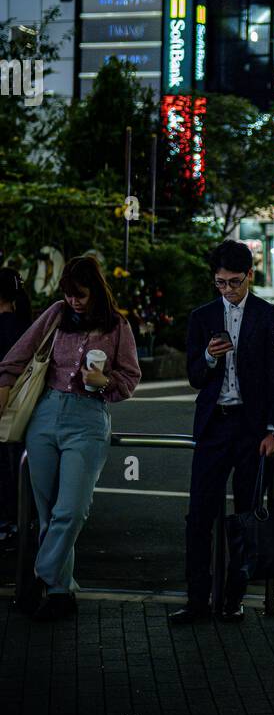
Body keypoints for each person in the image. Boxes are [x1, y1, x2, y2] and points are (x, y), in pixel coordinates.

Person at [0, 256, 140, 620]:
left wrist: (105, 383)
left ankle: (39, 575)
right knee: (46, 513)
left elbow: (130, 377)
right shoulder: (56, 315)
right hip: (45, 414)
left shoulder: (116, 326)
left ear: (95, 289)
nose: (74, 301)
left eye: (80, 294)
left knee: (72, 510)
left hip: (88, 417)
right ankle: (60, 592)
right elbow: (16, 357)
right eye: (69, 294)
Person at [170, 239, 274, 625]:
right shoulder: (202, 316)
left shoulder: (270, 315)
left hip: (252, 427)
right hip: (214, 423)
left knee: (244, 515)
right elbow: (192, 376)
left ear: (250, 276)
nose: (227, 290)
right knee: (200, 516)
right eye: (220, 283)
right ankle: (196, 599)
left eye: (234, 282)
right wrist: (207, 356)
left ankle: (234, 598)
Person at [0, 268, 34, 545]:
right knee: (21, 466)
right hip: (25, 409)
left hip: (4, 406)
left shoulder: (4, 327)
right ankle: (22, 522)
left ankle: (10, 522)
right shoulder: (27, 326)